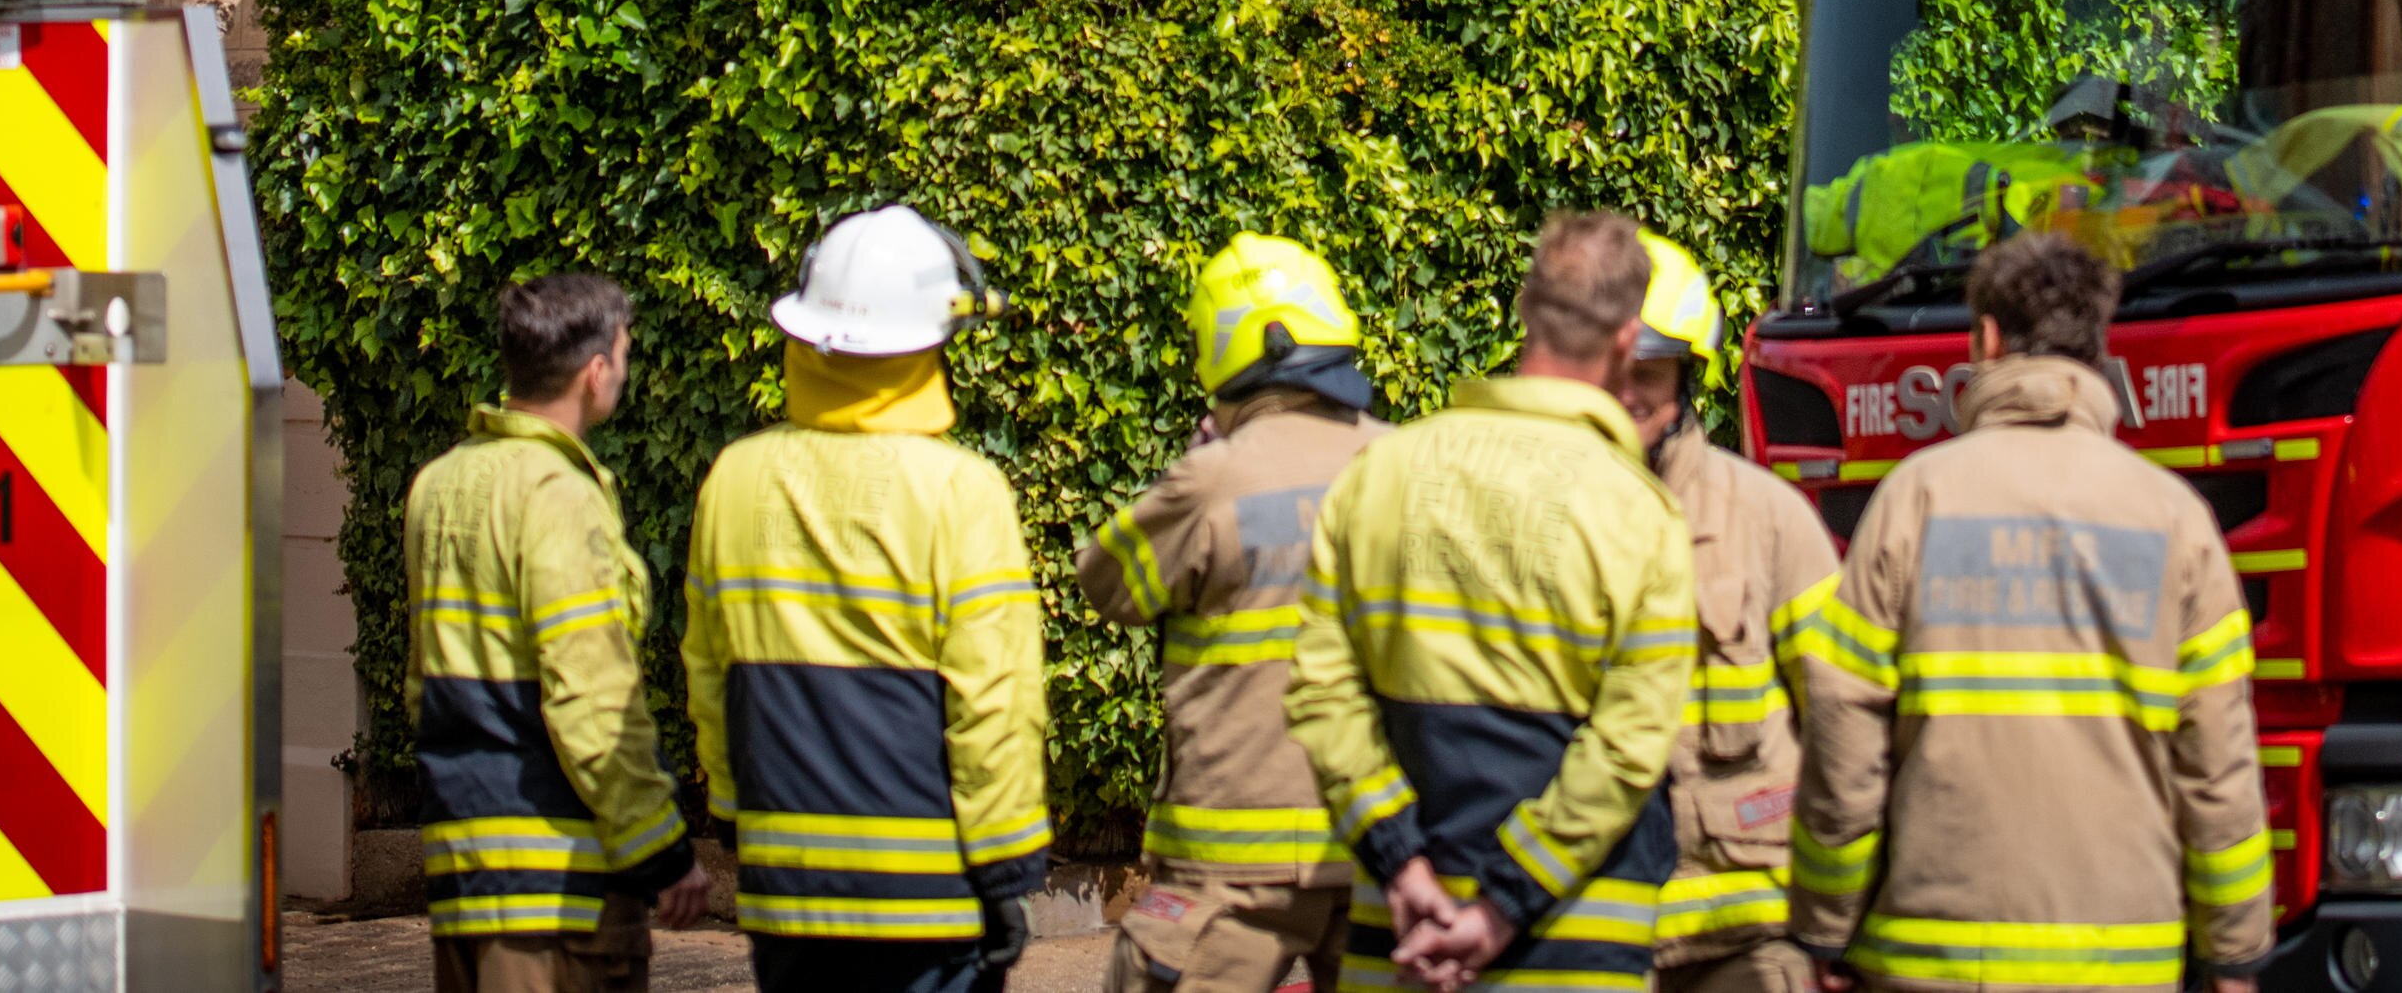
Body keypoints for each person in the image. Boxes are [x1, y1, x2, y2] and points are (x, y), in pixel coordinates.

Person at [1785, 231, 2269, 993]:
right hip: (2124, 967)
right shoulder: (2175, 517)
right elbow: (2219, 768)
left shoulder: (1914, 498)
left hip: (1934, 962)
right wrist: (2233, 955)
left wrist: (1824, 926)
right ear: (2097, 343)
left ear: (1987, 338)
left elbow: (1844, 741)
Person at [1281, 210, 1696, 993]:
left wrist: (1402, 863)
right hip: (1578, 952)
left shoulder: (1377, 475)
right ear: (1626, 340)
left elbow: (1320, 694)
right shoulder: (1640, 512)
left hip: (1402, 940)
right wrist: (1501, 905)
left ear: (1524, 309)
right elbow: (1629, 745)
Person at [684, 208, 1053, 993]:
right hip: (930, 899)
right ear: (932, 340)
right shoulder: (962, 490)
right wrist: (1006, 867)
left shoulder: (734, 478)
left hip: (788, 891)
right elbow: (995, 698)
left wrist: (733, 811)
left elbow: (712, 677)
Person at [1077, 236, 1388, 993]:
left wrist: (1193, 467)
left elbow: (1106, 583)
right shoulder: (1404, 463)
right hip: (1379, 846)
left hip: (1231, 859)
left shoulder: (1213, 478)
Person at [405, 271, 697, 993]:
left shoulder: (438, 484)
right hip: (561, 892)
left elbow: (423, 686)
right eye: (623, 354)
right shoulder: (558, 494)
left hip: (462, 875)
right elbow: (591, 697)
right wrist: (662, 851)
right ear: (595, 371)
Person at [1616, 240, 1845, 993]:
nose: (1625, 395)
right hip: (1593, 943)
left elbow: (1846, 721)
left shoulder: (1767, 519)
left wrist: (1839, 922)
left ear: (1687, 377)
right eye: (1608, 372)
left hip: (1751, 940)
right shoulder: (1531, 523)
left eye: (1647, 372)